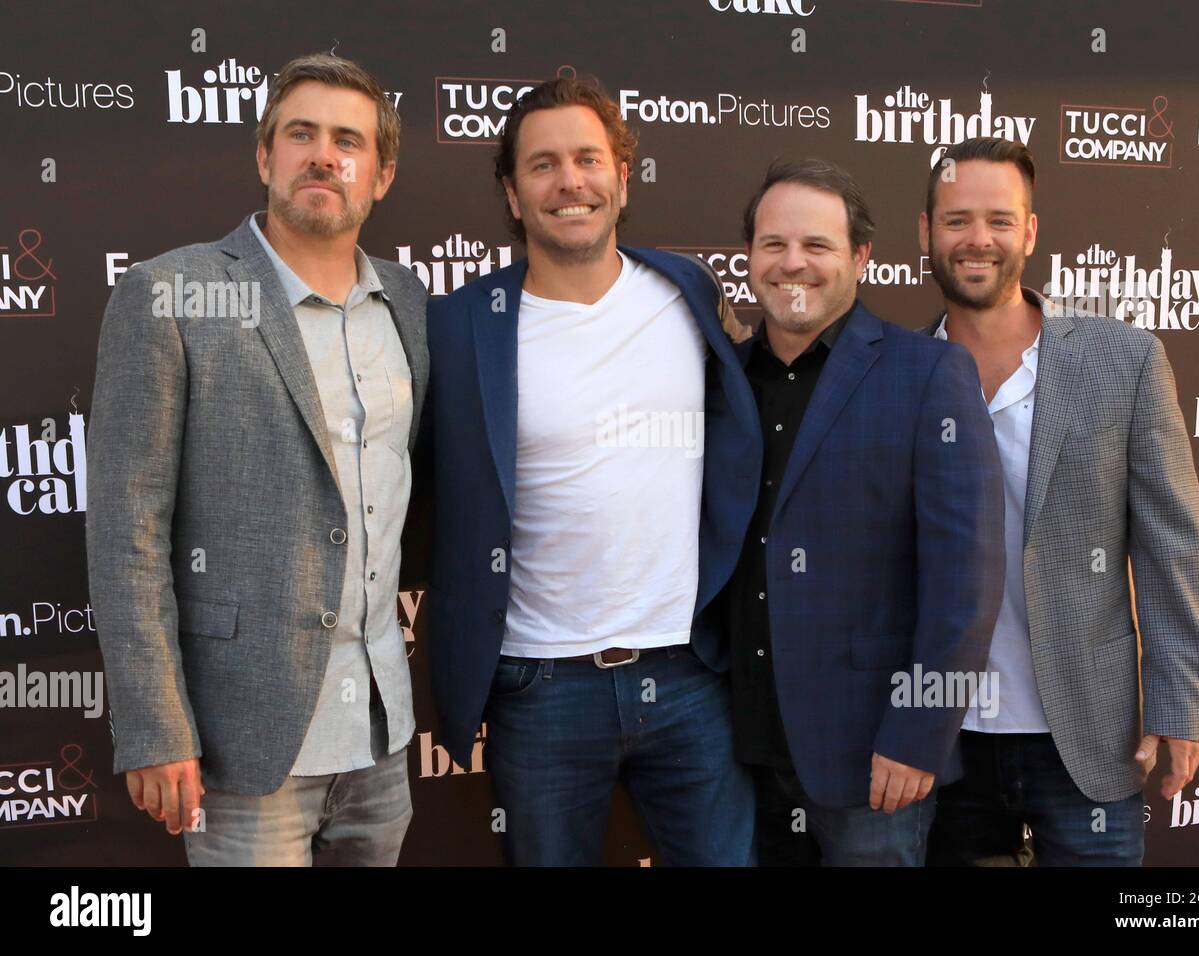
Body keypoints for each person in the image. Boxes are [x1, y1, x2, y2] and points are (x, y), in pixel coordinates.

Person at [86, 52, 428, 866]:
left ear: (379, 175)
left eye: (348, 141)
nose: (323, 155)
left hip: (381, 732)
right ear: (264, 156)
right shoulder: (171, 294)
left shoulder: (408, 303)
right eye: (300, 133)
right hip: (242, 746)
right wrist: (155, 725)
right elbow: (126, 530)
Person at [421, 76, 756, 866]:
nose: (569, 182)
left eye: (587, 159)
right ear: (511, 192)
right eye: (542, 165)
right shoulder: (462, 325)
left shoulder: (691, 293)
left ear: (621, 177)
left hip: (689, 677)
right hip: (540, 689)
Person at [919, 137, 1199, 866]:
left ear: (1031, 230)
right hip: (939, 740)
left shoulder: (1124, 360)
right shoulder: (899, 373)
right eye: (956, 220)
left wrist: (1179, 705)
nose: (977, 239)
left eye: (998, 218)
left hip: (1085, 733)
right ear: (924, 234)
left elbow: (1170, 545)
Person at [725, 158, 1005, 866]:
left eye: (817, 246)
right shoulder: (722, 376)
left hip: (869, 762)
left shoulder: (928, 373)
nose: (794, 263)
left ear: (860, 257)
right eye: (774, 245)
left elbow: (965, 580)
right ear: (750, 257)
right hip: (734, 750)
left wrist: (918, 734)